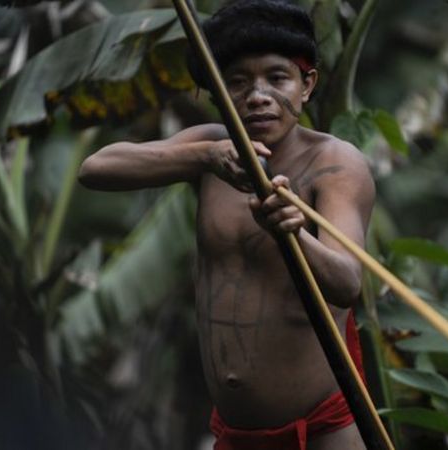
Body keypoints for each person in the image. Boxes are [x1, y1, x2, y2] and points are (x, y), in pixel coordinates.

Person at [78, 0, 374, 448]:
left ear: (306, 84)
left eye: (277, 78)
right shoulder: (214, 147)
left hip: (321, 432)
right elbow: (95, 168)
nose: (257, 96)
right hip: (233, 434)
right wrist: (205, 157)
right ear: (218, 93)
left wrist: (293, 232)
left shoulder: (335, 163)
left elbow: (347, 282)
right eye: (237, 82)